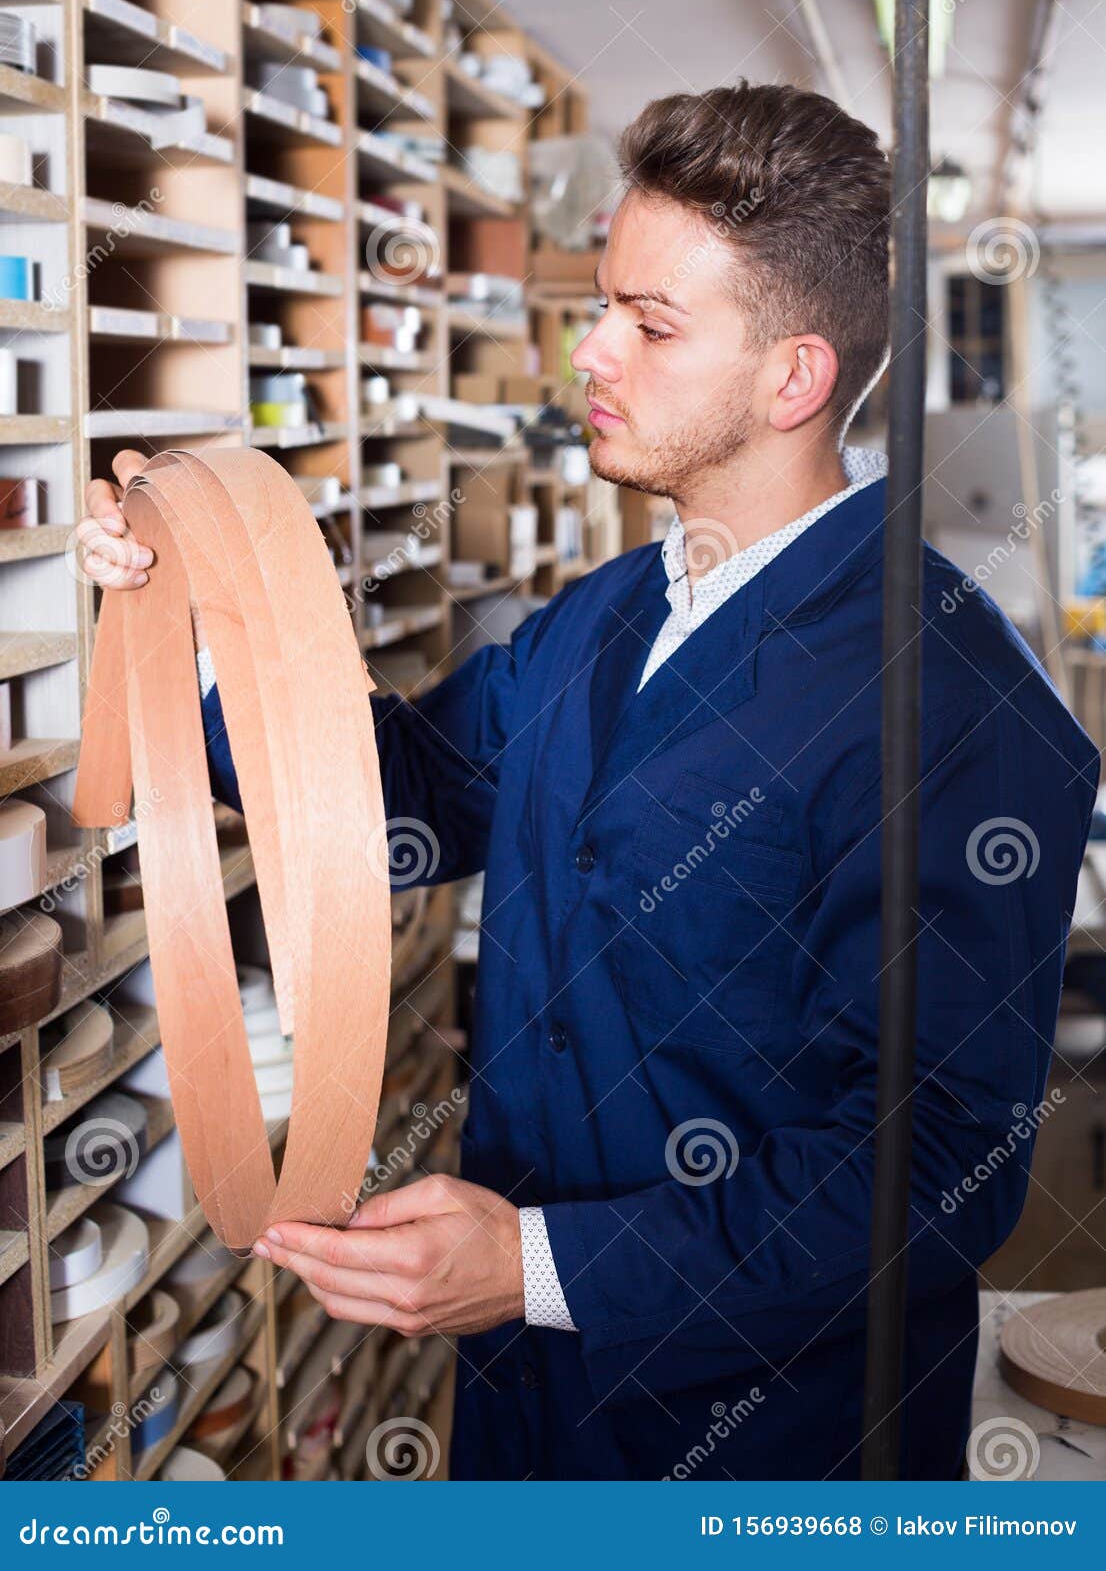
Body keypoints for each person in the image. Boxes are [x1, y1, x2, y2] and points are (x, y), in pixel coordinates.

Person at [77, 80, 1098, 1481]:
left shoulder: (954, 707)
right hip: (522, 1408)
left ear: (793, 376)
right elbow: (398, 795)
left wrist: (539, 1261)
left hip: (768, 1440)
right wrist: (181, 633)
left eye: (649, 323)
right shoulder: (605, 617)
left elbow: (932, 1171)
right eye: (603, 302)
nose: (591, 350)